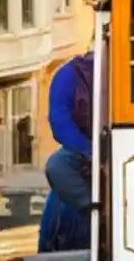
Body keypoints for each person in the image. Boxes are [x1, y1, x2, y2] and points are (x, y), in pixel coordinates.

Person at [38, 52, 94, 252]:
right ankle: (94, 211)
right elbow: (60, 122)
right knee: (58, 165)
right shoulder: (70, 74)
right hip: (82, 158)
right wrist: (90, 152)